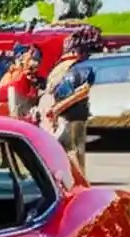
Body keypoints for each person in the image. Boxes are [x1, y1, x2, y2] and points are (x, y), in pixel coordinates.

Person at [45, 38, 94, 175]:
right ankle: (75, 176)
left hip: (70, 114)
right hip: (71, 113)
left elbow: (82, 92)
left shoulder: (64, 69)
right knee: (73, 147)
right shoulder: (78, 68)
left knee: (69, 147)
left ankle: (77, 177)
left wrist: (57, 108)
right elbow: (80, 92)